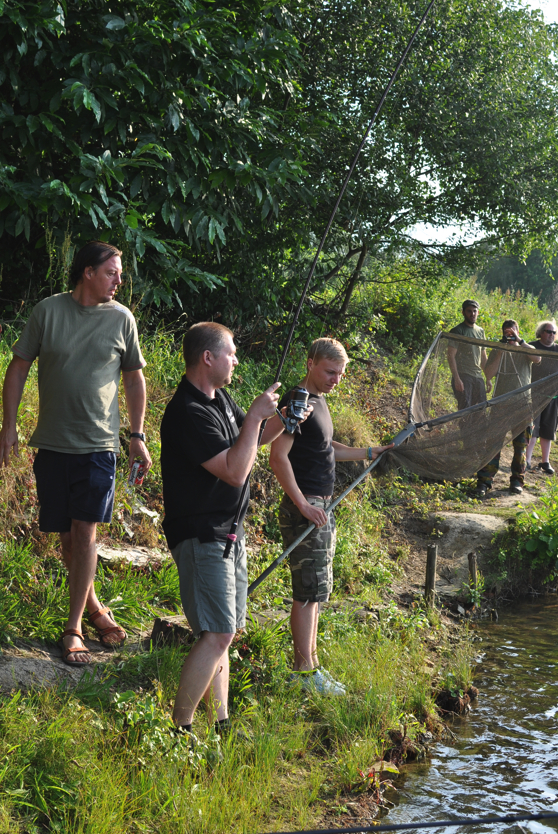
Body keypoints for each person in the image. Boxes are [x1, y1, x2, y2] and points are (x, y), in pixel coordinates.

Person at [0, 241, 151, 665]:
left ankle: (73, 628)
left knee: (84, 534)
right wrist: (8, 426)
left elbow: (135, 381)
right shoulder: (48, 312)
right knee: (67, 540)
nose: (120, 280)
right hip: (51, 443)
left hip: (98, 445)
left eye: (119, 274)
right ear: (87, 272)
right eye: (111, 272)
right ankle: (97, 607)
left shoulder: (122, 319)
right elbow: (17, 367)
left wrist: (136, 435)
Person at [160, 321, 286, 737]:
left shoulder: (219, 399)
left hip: (230, 532)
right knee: (217, 632)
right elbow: (234, 470)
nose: (236, 360)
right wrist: (252, 417)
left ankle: (221, 724)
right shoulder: (188, 412)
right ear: (207, 358)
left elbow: (252, 441)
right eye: (230, 353)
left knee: (225, 634)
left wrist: (284, 417)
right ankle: (179, 730)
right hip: (202, 534)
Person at [269, 338, 393, 695]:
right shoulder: (298, 401)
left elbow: (326, 449)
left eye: (340, 373)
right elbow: (278, 456)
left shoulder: (320, 401)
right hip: (306, 506)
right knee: (307, 592)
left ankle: (313, 667)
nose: (335, 379)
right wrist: (303, 504)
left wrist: (369, 452)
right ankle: (303, 674)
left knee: (318, 590)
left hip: (322, 506)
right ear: (310, 364)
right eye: (329, 371)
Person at [475, 320, 540, 498]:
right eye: (507, 333)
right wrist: (501, 350)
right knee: (493, 444)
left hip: (522, 406)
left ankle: (517, 482)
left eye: (512, 332)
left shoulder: (525, 348)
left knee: (521, 447)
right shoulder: (498, 349)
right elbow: (488, 374)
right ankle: (484, 482)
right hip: (500, 406)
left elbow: (537, 358)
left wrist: (519, 340)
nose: (510, 335)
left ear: (518, 332)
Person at [525, 320, 558, 475]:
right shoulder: (532, 347)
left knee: (548, 431)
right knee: (532, 430)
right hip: (533, 396)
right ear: (541, 332)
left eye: (554, 332)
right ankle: (526, 461)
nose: (551, 335)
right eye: (548, 331)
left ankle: (545, 462)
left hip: (552, 398)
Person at [447, 300, 491, 409]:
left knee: (481, 410)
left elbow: (483, 356)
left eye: (474, 311)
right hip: (463, 375)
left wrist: (488, 378)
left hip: (478, 376)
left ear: (478, 312)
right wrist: (457, 378)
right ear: (463, 312)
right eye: (469, 311)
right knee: (465, 410)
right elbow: (450, 355)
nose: (472, 314)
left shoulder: (480, 331)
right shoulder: (457, 331)